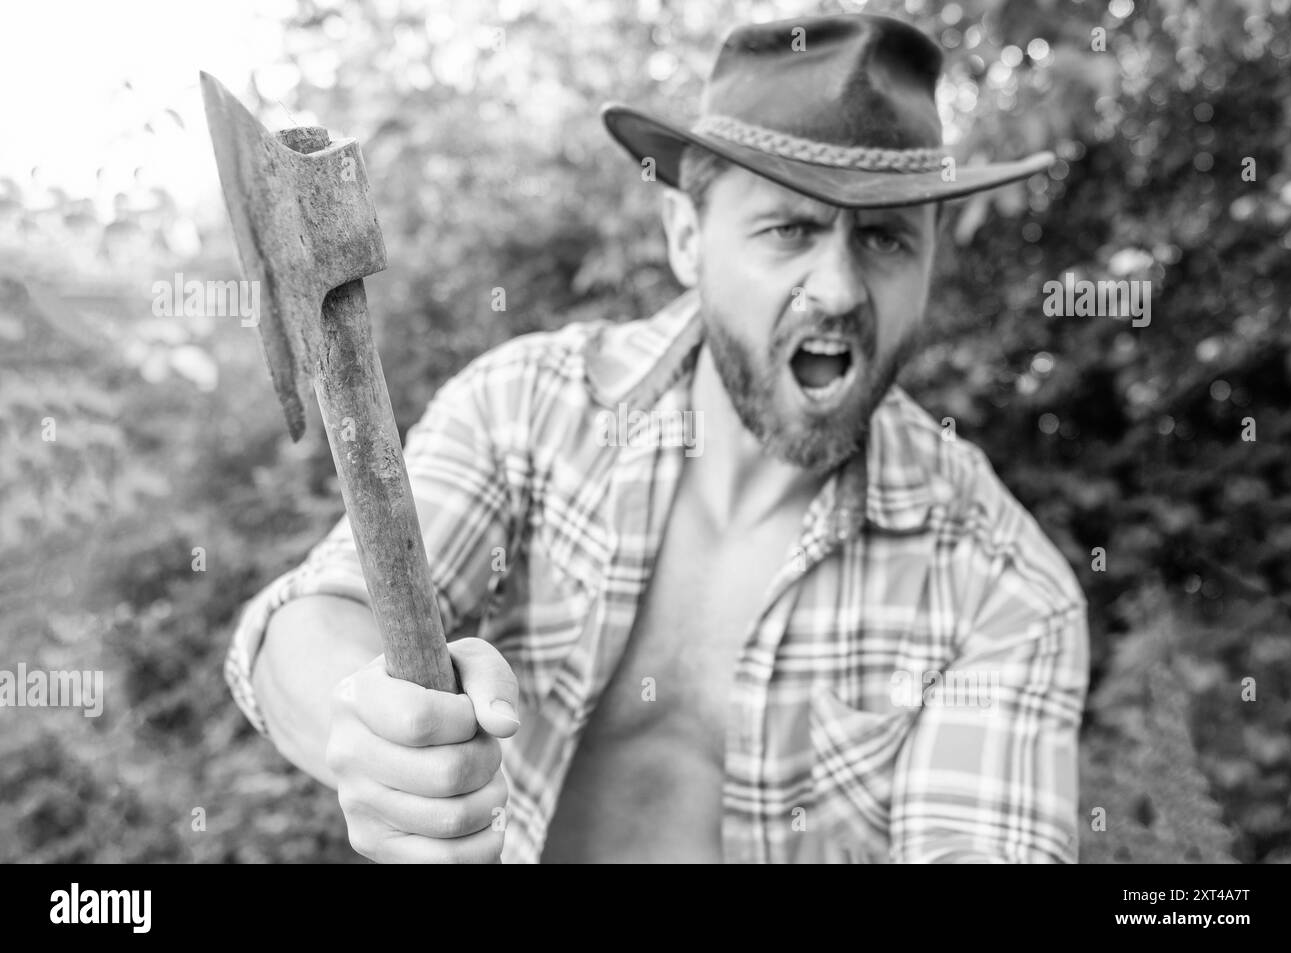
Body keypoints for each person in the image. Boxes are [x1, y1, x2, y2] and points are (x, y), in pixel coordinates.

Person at [225, 11, 1089, 863]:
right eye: (789, 228)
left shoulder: (1001, 586)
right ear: (686, 236)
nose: (836, 288)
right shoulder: (529, 408)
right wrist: (375, 730)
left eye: (887, 239)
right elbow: (304, 625)